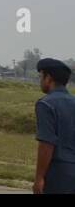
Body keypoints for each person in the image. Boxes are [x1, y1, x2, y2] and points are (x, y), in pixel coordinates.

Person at [34, 57, 75, 194]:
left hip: (58, 175)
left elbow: (46, 144)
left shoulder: (46, 104)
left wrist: (39, 178)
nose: (40, 81)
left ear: (48, 78)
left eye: (41, 76)